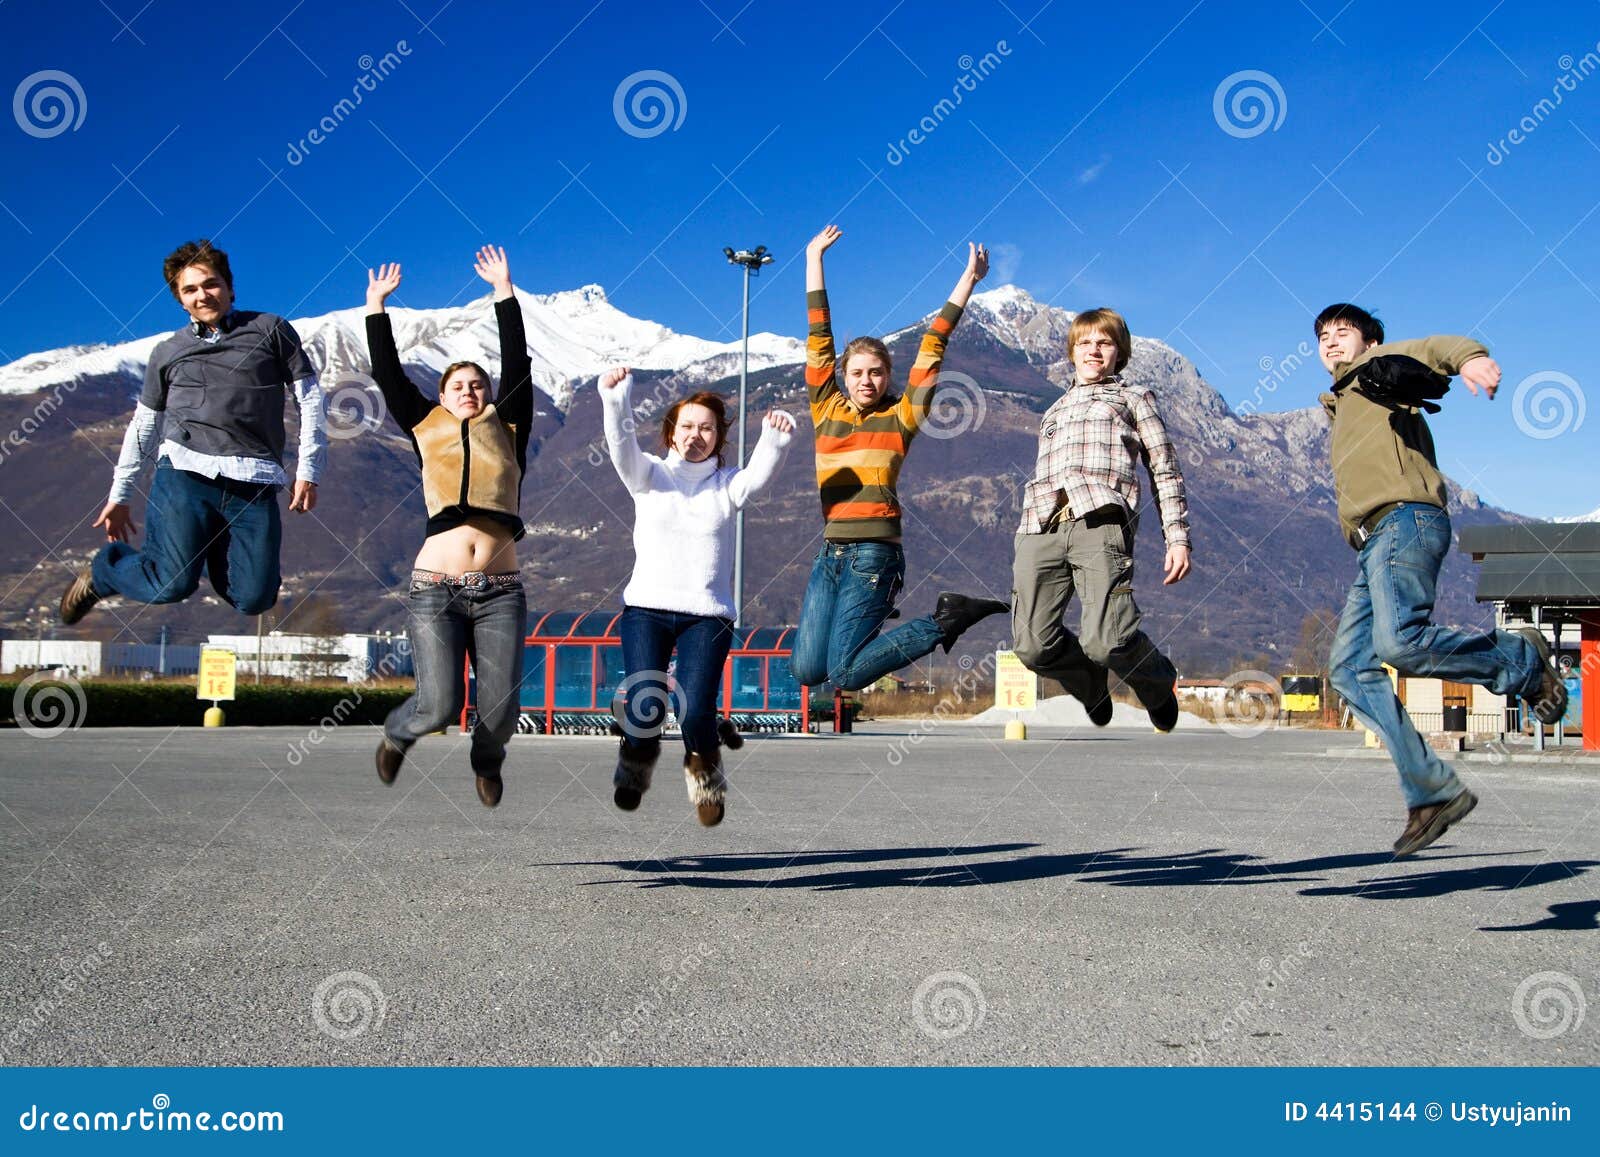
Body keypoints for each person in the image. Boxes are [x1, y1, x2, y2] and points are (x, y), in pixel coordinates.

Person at [1315, 303, 1568, 856]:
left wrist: (1472, 360)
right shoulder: (1344, 401)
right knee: (1350, 669)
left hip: (1407, 519)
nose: (1332, 342)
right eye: (1323, 336)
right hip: (1373, 543)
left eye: (1343, 332)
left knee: (1399, 643)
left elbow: (1436, 348)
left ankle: (1519, 661)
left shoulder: (1378, 365)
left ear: (1370, 339)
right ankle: (1431, 792)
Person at [787, 225, 1006, 694]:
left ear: (888, 375)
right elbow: (818, 333)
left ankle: (945, 620)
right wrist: (813, 258)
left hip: (875, 554)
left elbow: (933, 346)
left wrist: (968, 281)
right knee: (808, 671)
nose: (866, 380)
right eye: (858, 372)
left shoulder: (902, 414)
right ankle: (875, 611)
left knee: (843, 675)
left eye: (877, 372)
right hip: (830, 555)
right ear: (842, 376)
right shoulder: (825, 409)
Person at [61, 240, 326, 623]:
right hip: (185, 476)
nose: (203, 295)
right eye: (190, 290)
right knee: (172, 585)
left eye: (211, 284)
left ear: (230, 288)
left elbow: (311, 400)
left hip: (253, 483)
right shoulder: (168, 352)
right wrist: (120, 495)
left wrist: (309, 471)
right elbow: (145, 425)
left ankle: (215, 547)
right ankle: (105, 570)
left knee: (254, 598)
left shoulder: (271, 330)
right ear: (180, 300)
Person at [365, 248, 533, 809]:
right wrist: (376, 307)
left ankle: (487, 758)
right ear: (440, 397)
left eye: (477, 385)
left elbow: (517, 360)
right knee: (438, 706)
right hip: (434, 589)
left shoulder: (509, 424)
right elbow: (388, 375)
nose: (468, 391)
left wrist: (504, 291)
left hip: (500, 593)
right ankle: (398, 732)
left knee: (501, 708)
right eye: (457, 385)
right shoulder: (424, 426)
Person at [600, 367, 794, 825]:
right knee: (645, 708)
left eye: (706, 427)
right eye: (687, 426)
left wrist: (773, 442)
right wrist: (615, 401)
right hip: (646, 609)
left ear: (718, 436)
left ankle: (707, 781)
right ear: (671, 432)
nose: (696, 435)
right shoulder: (647, 475)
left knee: (695, 709)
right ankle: (633, 767)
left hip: (706, 617)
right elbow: (620, 448)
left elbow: (757, 480)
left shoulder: (726, 486)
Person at [1010, 308, 1191, 731]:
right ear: (1072, 352)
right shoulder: (1052, 410)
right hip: (1041, 526)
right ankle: (1089, 681)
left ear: (1119, 352)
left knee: (1106, 639)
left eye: (1104, 342)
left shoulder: (1133, 398)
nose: (1094, 349)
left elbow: (1164, 468)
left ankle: (1157, 682)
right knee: (1032, 646)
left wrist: (1177, 538)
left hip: (1099, 522)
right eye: (1085, 342)